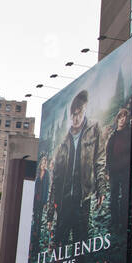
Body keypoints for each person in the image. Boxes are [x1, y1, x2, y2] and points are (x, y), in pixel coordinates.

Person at [48, 89, 105, 247]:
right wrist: (50, 214)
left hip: (83, 199)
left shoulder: (94, 129)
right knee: (60, 243)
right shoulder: (63, 145)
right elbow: (56, 180)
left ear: (84, 110)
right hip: (64, 201)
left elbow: (100, 160)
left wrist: (101, 188)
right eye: (73, 114)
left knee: (81, 242)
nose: (76, 118)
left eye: (79, 113)